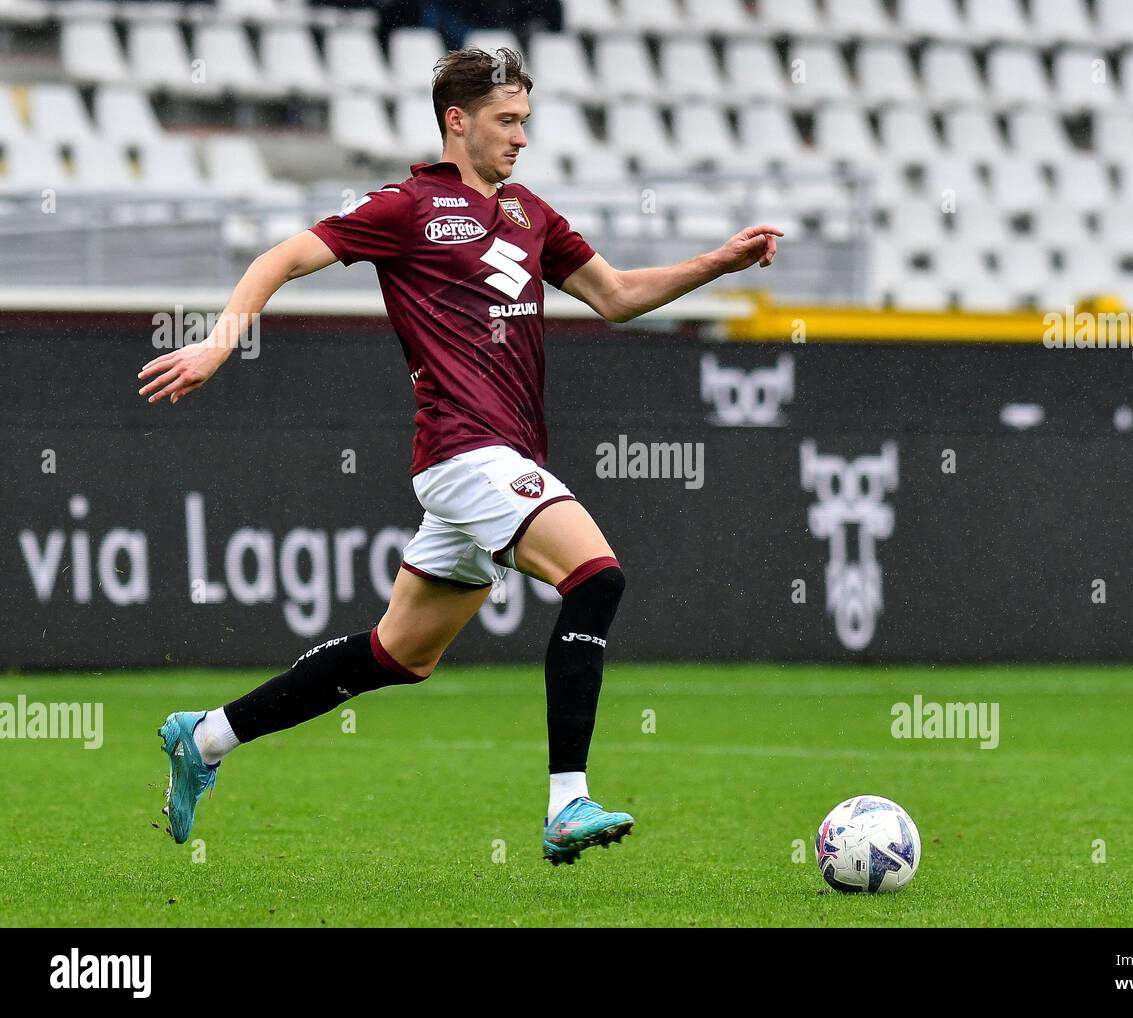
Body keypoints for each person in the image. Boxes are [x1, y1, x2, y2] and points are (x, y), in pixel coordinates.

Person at [137, 47, 782, 863]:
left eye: (525, 122)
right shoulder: (406, 207)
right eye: (506, 121)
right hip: (462, 450)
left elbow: (617, 297)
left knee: (398, 655)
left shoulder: (531, 215)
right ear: (457, 120)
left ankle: (206, 738)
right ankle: (566, 802)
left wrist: (715, 264)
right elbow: (281, 258)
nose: (520, 137)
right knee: (598, 578)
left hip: (498, 455)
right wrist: (219, 344)